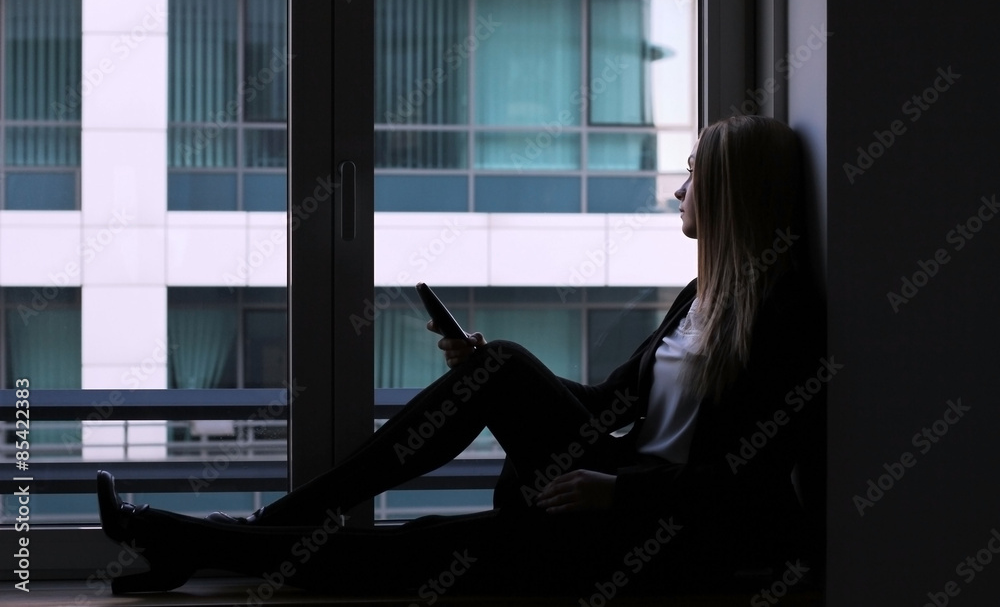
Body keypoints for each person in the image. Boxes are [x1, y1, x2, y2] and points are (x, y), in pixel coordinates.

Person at [97, 115, 826, 598]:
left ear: (730, 189)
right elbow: (610, 402)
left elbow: (746, 480)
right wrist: (491, 376)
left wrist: (616, 492)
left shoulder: (783, 312)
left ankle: (190, 539)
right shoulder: (701, 295)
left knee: (419, 549)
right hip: (608, 490)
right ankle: (209, 539)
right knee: (495, 365)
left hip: (653, 531)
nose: (677, 187)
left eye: (693, 171)